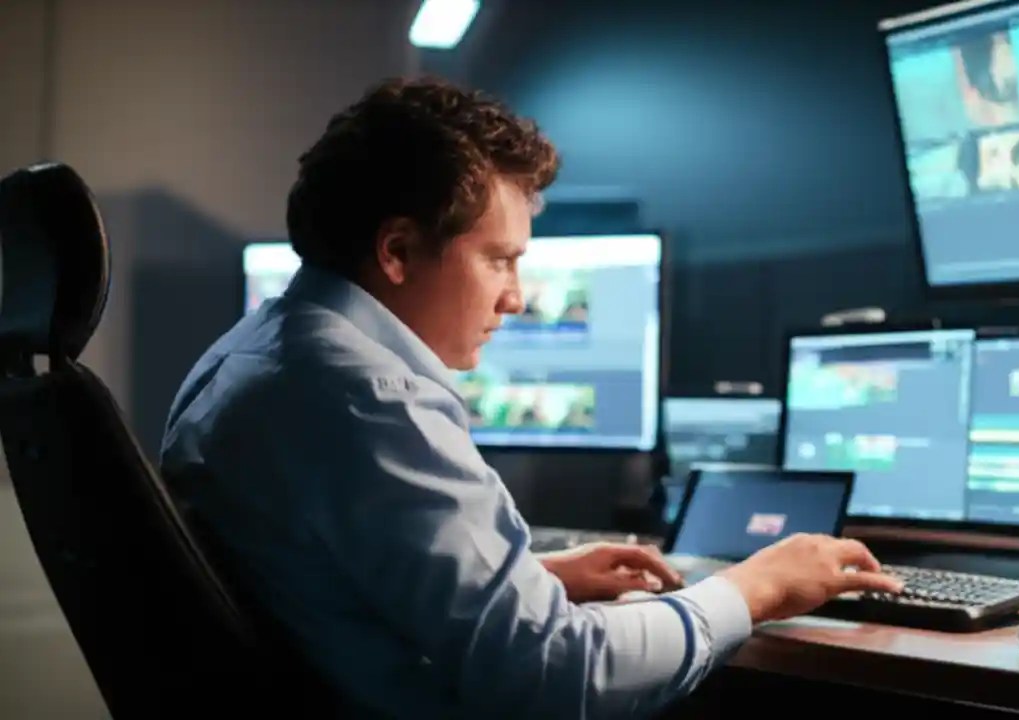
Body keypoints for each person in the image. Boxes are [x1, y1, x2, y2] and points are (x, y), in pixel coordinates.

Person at [160, 75, 904, 719]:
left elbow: (329, 590)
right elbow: (560, 671)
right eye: (499, 260)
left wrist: (534, 578)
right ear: (397, 251)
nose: (515, 299)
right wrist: (755, 587)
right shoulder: (373, 399)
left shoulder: (244, 356)